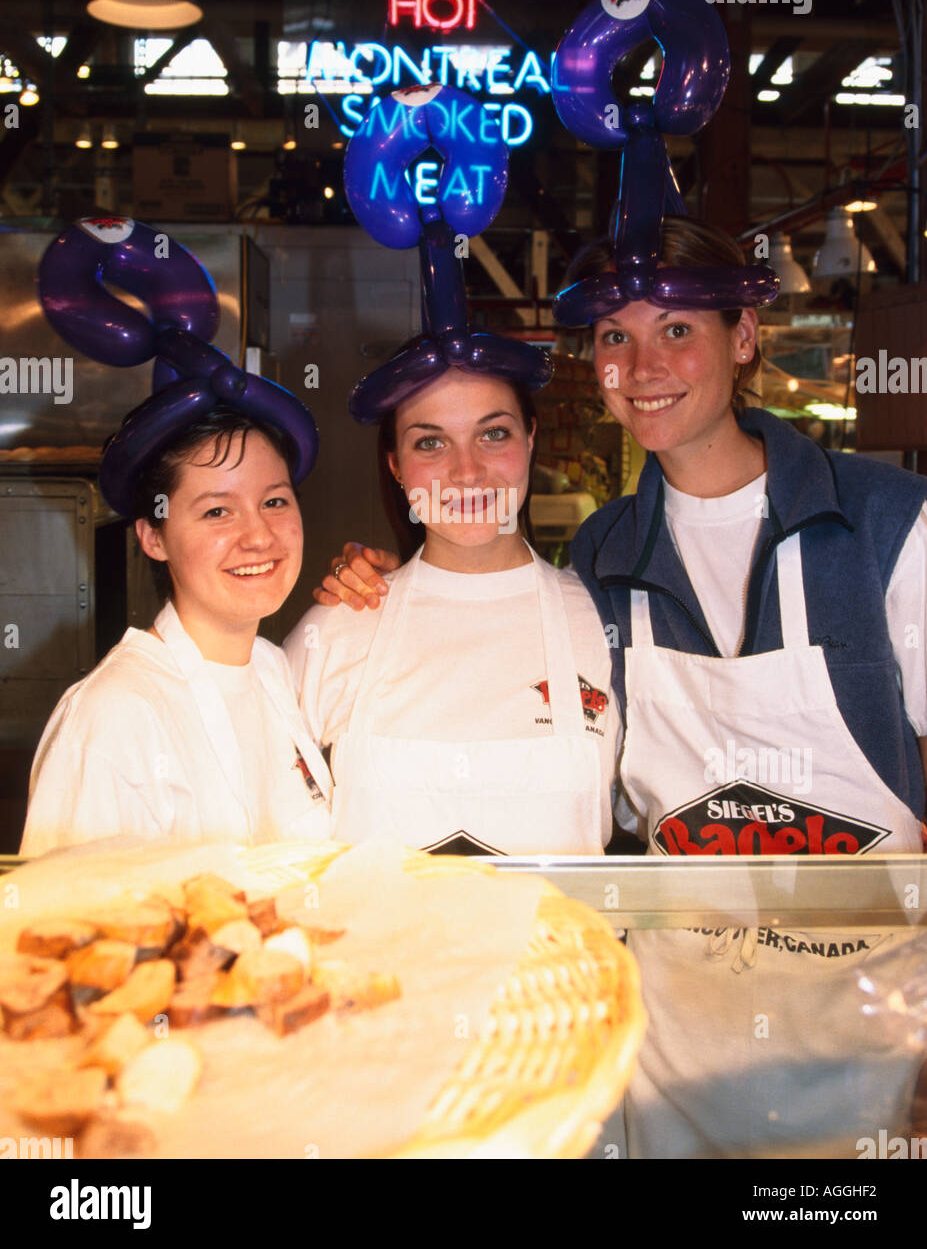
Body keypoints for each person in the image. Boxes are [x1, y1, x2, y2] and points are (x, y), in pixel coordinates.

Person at [319, 213, 927, 1155]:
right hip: (672, 1038)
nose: (643, 366)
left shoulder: (889, 525)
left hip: (867, 1033)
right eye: (614, 337)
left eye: (677, 328)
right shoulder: (599, 557)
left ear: (746, 336)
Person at [285, 364, 619, 856]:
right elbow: (268, 828)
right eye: (430, 443)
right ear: (396, 465)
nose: (466, 471)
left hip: (559, 935)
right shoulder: (339, 625)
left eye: (494, 433)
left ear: (530, 439)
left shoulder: (601, 621)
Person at [22, 406, 333, 856]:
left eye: (273, 501)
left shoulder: (270, 667)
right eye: (218, 511)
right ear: (153, 537)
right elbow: (62, 918)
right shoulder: (113, 716)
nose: (259, 536)